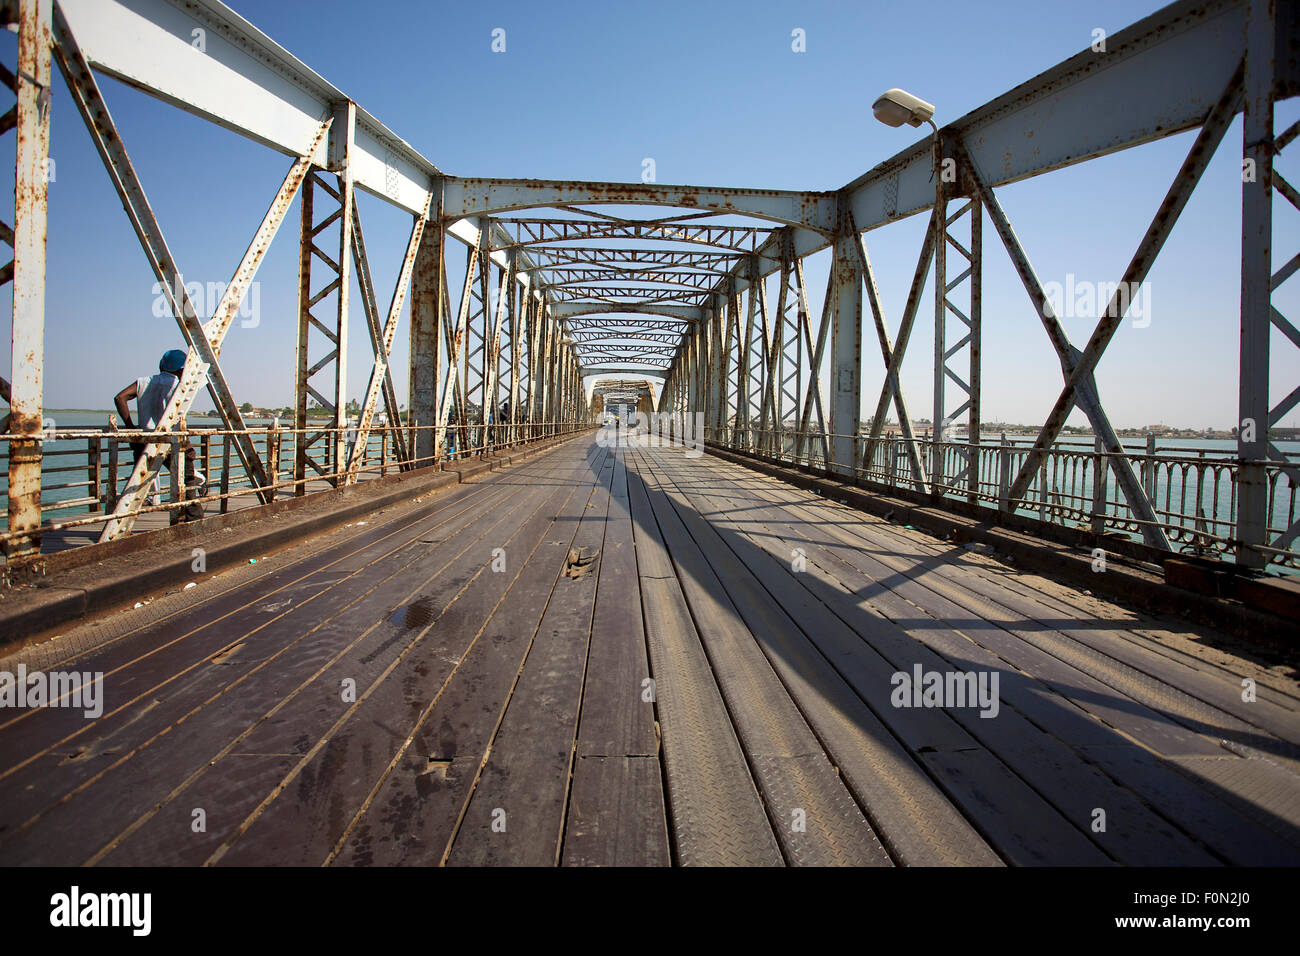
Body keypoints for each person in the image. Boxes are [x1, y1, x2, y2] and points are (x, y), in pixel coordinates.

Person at [113, 349, 205, 521]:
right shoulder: (180, 384)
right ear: (182, 368)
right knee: (187, 481)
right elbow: (203, 376)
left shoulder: (144, 381)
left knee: (137, 486)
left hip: (145, 439)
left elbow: (120, 398)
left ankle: (121, 521)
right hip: (173, 440)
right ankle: (194, 518)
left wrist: (131, 428)